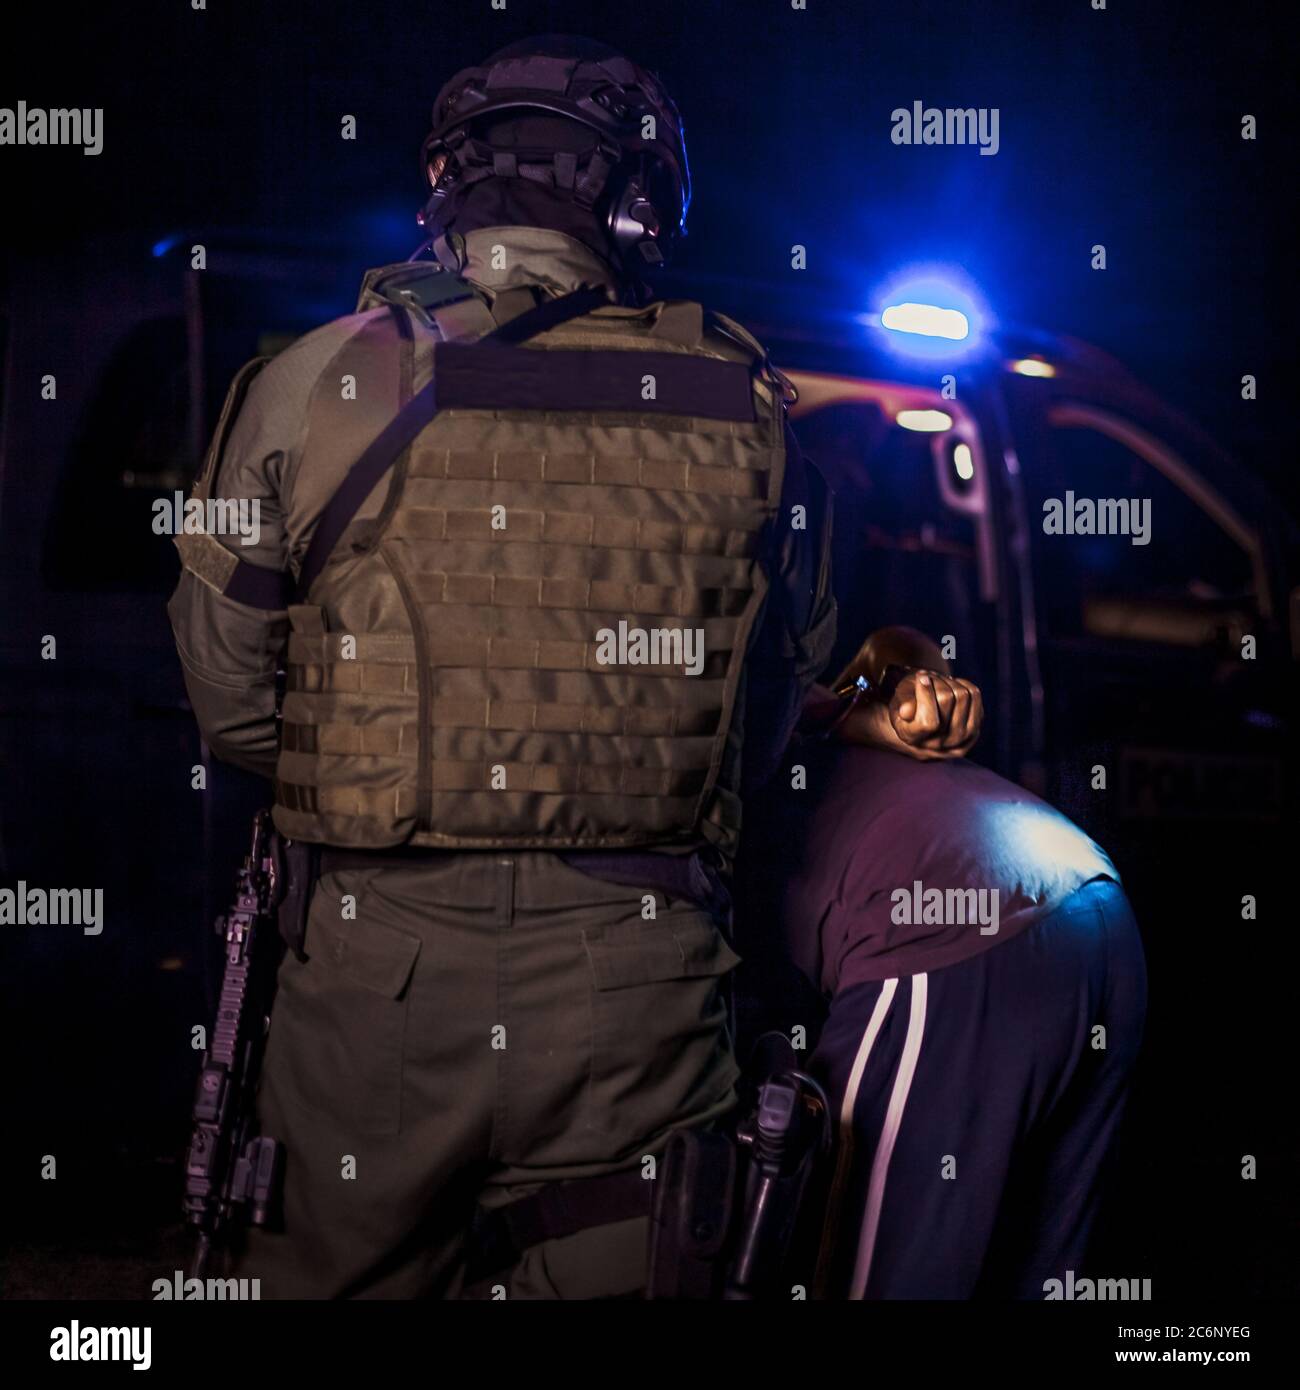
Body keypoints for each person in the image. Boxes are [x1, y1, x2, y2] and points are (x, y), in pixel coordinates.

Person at [167, 37, 980, 1299]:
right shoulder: (746, 401)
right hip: (640, 982)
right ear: (641, 200)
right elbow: (785, 695)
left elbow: (229, 702)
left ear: (449, 186)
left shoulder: (308, 381)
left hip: (374, 975)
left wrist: (392, 775)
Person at [735, 628, 1148, 1299]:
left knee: (863, 1278)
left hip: (954, 924)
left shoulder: (748, 744)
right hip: (1098, 904)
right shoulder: (817, 726)